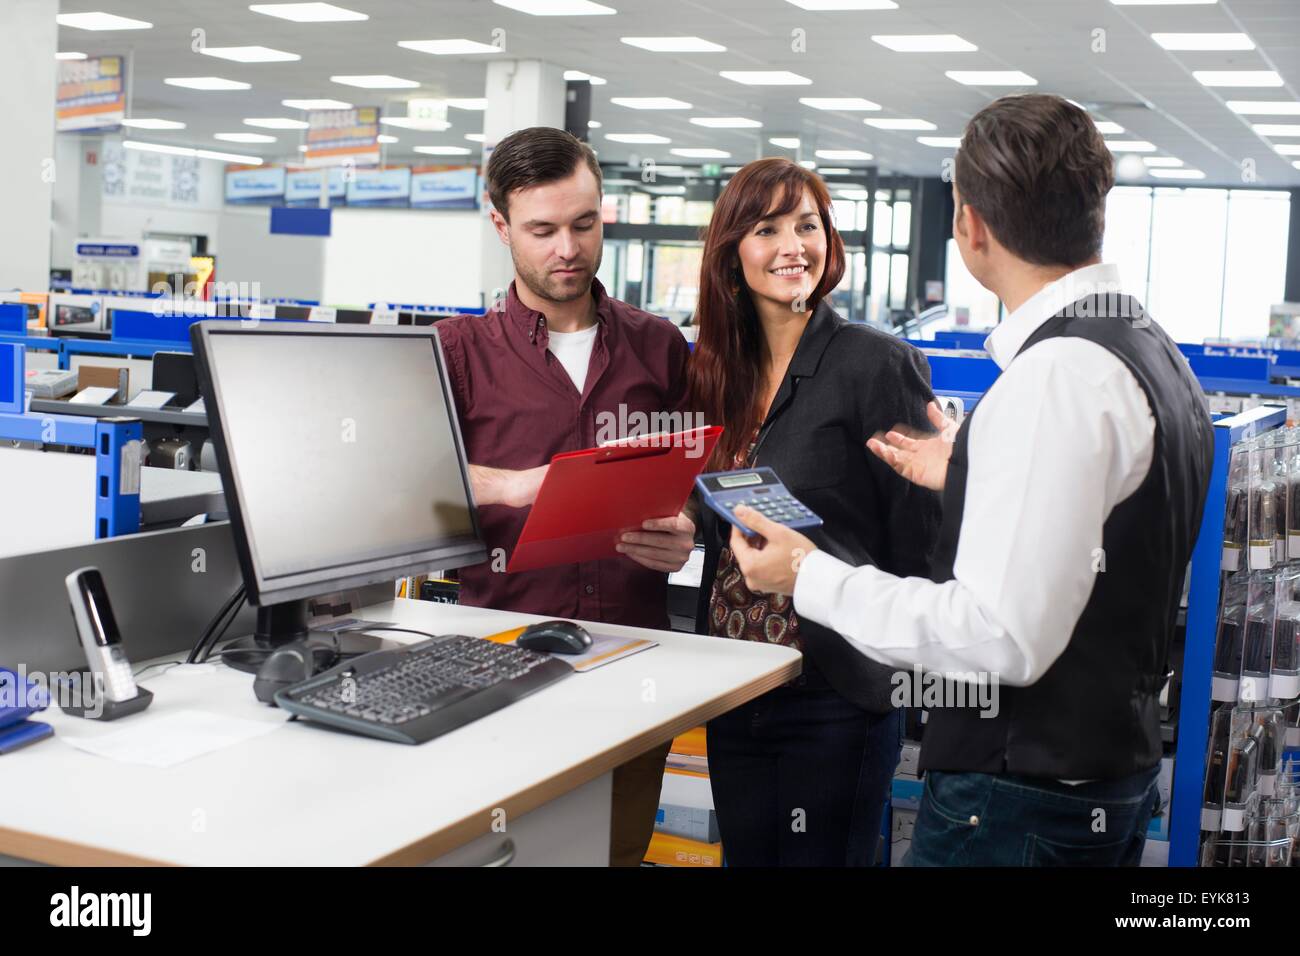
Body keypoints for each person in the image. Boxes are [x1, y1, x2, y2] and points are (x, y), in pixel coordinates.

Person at [726, 94, 1215, 867]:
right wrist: (975, 472)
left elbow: (997, 637)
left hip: (1018, 799)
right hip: (1099, 777)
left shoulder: (1053, 374)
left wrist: (807, 575)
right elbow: (1099, 520)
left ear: (970, 226)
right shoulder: (1148, 351)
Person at [436, 127, 696, 866]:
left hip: (636, 664)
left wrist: (685, 530)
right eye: (542, 230)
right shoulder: (457, 351)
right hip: (499, 666)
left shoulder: (659, 346)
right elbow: (409, 488)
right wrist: (516, 484)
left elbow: (689, 483)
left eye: (584, 224)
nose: (567, 249)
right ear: (500, 226)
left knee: (615, 855)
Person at [688, 157, 941, 866]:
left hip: (835, 691)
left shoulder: (873, 362)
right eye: (767, 228)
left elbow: (921, 541)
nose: (792, 244)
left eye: (808, 225)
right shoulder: (716, 372)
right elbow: (716, 512)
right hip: (734, 680)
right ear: (732, 250)